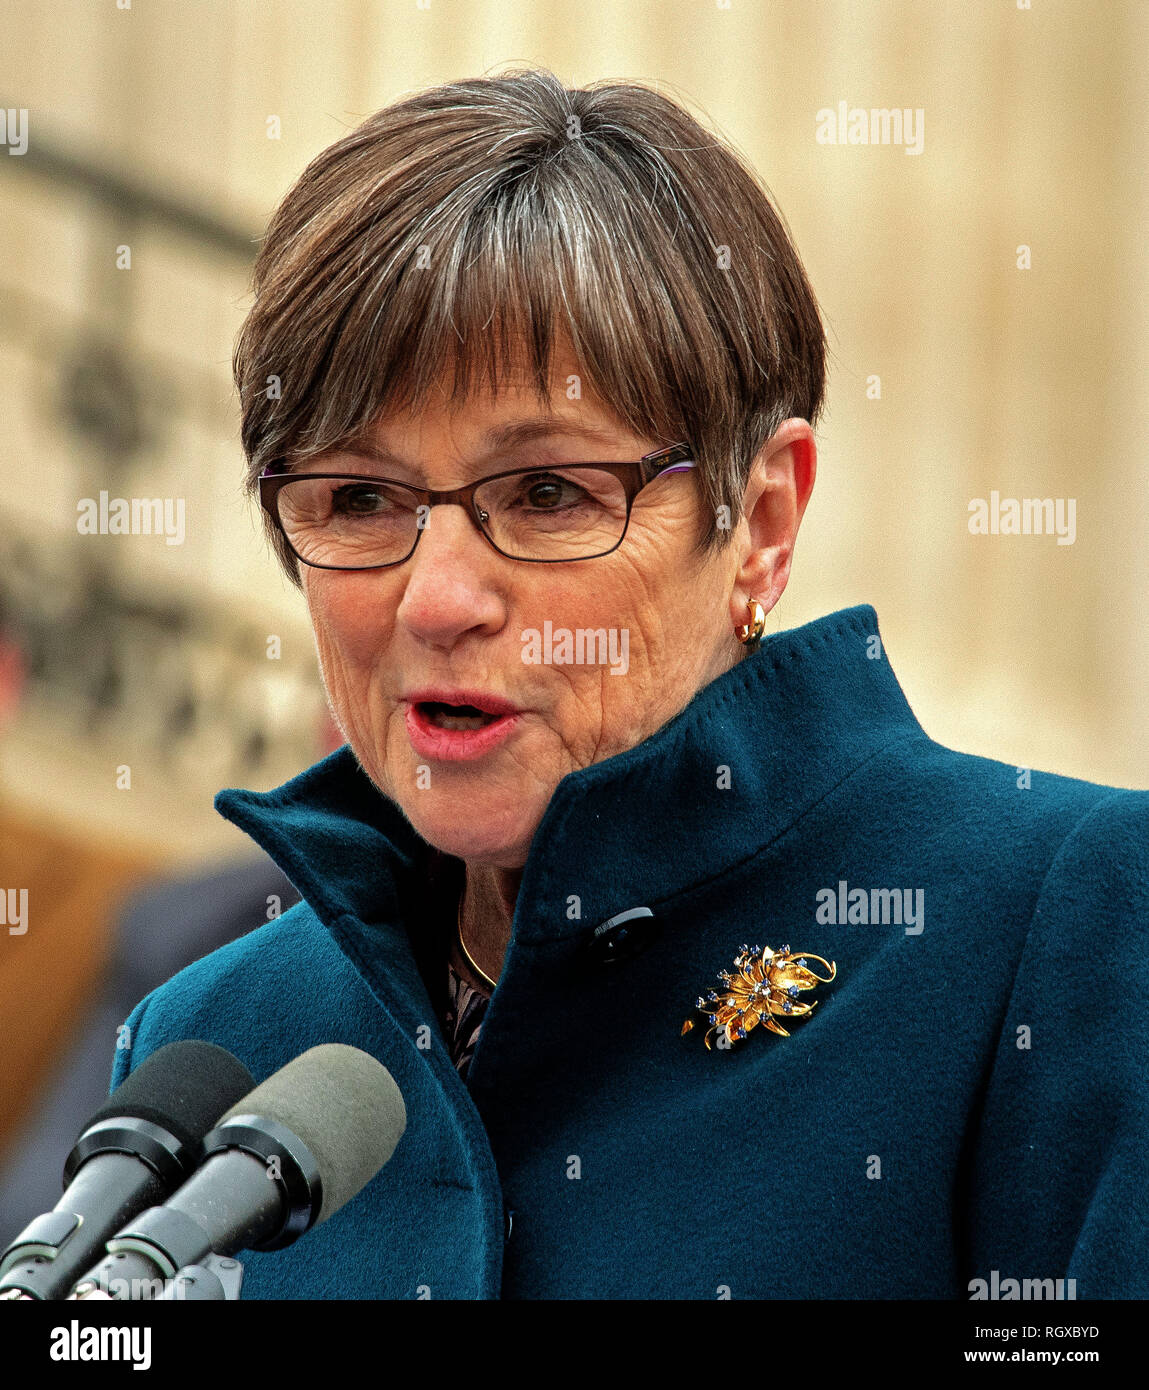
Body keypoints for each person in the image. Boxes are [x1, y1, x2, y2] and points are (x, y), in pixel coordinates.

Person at [108, 68, 1148, 1300]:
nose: (438, 599)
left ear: (760, 521)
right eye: (358, 498)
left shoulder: (1055, 916)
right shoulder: (213, 1040)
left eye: (548, 493)